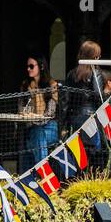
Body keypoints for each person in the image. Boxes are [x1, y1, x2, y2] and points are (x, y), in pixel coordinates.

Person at [60, 39, 104, 167]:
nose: (99, 59)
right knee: (94, 152)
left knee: (78, 152)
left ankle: (79, 179)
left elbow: (65, 101)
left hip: (75, 119)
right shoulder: (96, 73)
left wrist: (64, 124)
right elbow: (98, 96)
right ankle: (92, 180)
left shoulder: (71, 74)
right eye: (98, 56)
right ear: (93, 57)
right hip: (91, 119)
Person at [18, 55, 59, 171]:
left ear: (40, 66)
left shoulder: (52, 85)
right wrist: (28, 117)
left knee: (38, 135)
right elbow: (21, 109)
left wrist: (36, 120)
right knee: (38, 135)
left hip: (50, 126)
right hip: (32, 128)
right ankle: (44, 174)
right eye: (27, 67)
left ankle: (39, 175)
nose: (28, 69)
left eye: (31, 66)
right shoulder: (25, 85)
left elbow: (51, 112)